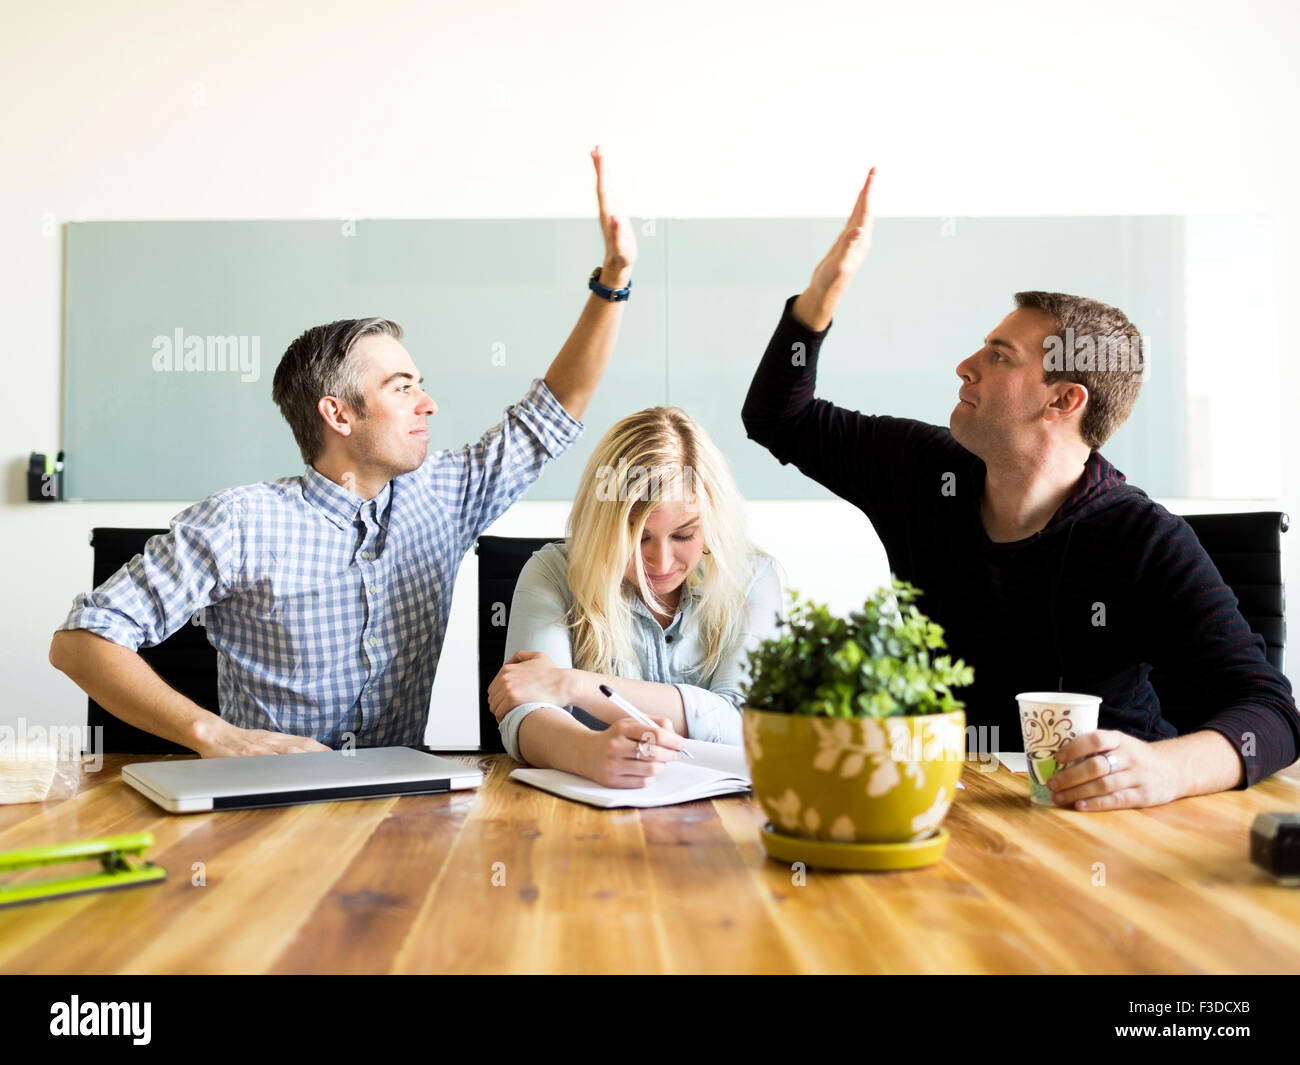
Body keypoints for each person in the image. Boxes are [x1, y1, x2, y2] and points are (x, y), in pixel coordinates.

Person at [741, 168, 1299, 811]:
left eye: (1000, 357)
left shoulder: (1142, 539)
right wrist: (823, 293)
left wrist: (1162, 769)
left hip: (1098, 826)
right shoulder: (925, 471)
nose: (966, 366)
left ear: (1063, 399)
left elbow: (1273, 716)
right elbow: (776, 417)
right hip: (954, 806)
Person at [49, 149, 636, 757]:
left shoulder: (445, 498)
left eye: (420, 384)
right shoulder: (240, 523)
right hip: (271, 808)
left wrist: (612, 280)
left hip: (397, 811)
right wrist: (216, 736)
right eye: (401, 388)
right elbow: (79, 641)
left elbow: (555, 410)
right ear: (339, 414)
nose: (427, 403)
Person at [487, 407, 783, 787]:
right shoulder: (552, 573)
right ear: (603, 526)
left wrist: (574, 684)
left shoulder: (753, 579)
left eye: (683, 535)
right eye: (638, 537)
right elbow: (526, 711)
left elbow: (744, 725)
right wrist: (588, 752)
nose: (660, 562)